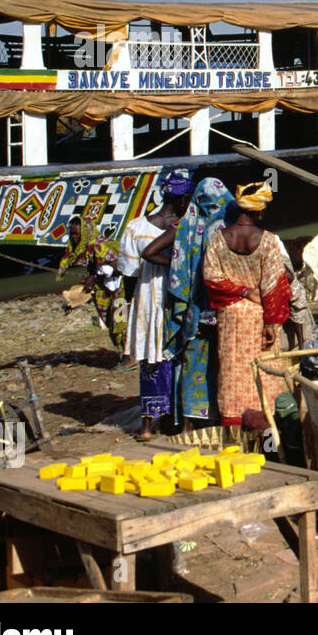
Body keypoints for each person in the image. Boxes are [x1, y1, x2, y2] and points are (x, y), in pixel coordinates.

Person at [200, 182, 292, 428]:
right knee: (264, 370)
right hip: (261, 316)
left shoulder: (218, 239)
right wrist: (271, 324)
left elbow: (211, 277)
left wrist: (242, 291)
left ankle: (233, 418)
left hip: (231, 316)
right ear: (258, 211)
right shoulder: (268, 241)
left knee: (233, 368)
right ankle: (266, 419)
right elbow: (273, 288)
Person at [146, 177, 234, 427]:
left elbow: (149, 252)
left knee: (192, 360)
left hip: (193, 311)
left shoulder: (184, 227)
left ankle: (186, 420)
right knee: (222, 362)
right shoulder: (227, 227)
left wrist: (178, 267)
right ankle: (219, 414)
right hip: (223, 306)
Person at [118, 170, 192, 441]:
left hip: (148, 300)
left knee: (151, 357)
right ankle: (181, 421)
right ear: (184, 200)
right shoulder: (188, 227)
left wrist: (131, 308)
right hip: (177, 299)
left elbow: (128, 275)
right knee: (180, 356)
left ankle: (148, 426)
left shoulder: (136, 229)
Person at [57, 215, 129, 361]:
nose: (74, 237)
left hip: (120, 288)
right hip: (106, 288)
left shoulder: (100, 246)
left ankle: (128, 356)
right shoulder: (87, 247)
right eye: (72, 234)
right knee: (111, 321)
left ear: (85, 232)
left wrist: (95, 278)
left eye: (77, 234)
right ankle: (123, 353)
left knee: (120, 322)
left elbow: (121, 267)